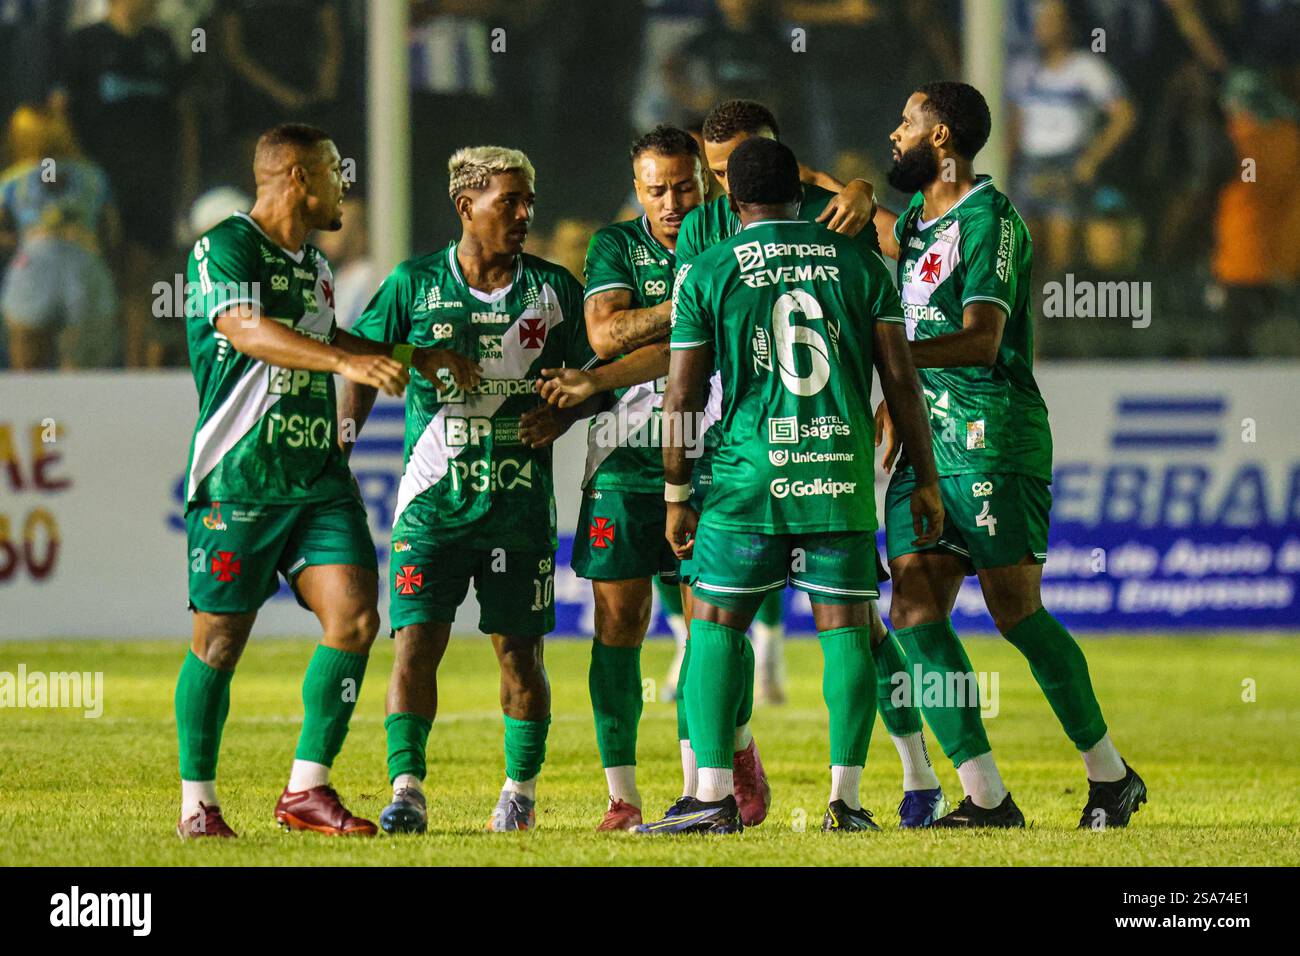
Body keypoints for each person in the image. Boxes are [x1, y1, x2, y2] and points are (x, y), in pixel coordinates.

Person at [639, 135, 943, 834]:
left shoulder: (710, 268)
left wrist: (677, 490)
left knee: (714, 623)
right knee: (848, 630)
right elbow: (901, 381)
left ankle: (711, 795)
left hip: (747, 483)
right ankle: (848, 802)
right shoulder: (862, 264)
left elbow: (682, 396)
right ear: (798, 193)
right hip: (837, 477)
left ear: (732, 199)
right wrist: (923, 479)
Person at [175, 122, 467, 839]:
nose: (347, 185)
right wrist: (344, 366)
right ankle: (197, 803)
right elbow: (246, 329)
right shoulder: (226, 245)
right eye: (337, 172)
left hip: (317, 478)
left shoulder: (314, 263)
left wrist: (410, 353)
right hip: (242, 476)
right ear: (300, 177)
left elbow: (328, 334)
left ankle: (307, 788)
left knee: (358, 619)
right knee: (218, 642)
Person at [876, 81, 1147, 828]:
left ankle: (1110, 775)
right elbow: (885, 233)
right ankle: (987, 797)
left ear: (943, 139)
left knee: (1016, 613)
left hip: (993, 440)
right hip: (928, 452)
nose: (894, 131)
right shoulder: (919, 221)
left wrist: (890, 356)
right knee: (914, 609)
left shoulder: (991, 220)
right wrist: (816, 184)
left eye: (907, 121)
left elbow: (980, 338)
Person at [343, 146, 596, 834]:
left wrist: (566, 411)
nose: (523, 214)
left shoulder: (553, 290)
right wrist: (343, 440)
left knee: (520, 656)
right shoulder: (413, 284)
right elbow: (363, 355)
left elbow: (595, 378)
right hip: (432, 504)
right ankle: (406, 789)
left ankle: (519, 792)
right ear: (466, 206)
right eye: (508, 202)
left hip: (518, 509)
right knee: (415, 644)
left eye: (527, 202)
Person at [534, 125, 707, 831]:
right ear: (636, 189)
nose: (671, 203)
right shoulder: (614, 246)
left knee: (714, 628)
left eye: (684, 186)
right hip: (623, 457)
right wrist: (689, 309)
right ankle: (622, 797)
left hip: (714, 456)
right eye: (656, 189)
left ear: (707, 182)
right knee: (619, 624)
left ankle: (710, 785)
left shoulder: (728, 237)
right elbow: (604, 335)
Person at [56, 0, 198, 367]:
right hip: (99, 182)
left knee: (143, 278)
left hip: (152, 183)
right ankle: (78, 372)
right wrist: (83, 176)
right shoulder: (84, 43)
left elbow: (183, 117)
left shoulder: (162, 45)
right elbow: (60, 112)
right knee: (95, 274)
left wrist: (186, 180)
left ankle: (133, 373)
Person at [0, 105, 118, 369]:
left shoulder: (12, 180)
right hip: (84, 262)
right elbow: (112, 230)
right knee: (81, 369)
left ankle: (31, 409)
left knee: (27, 361)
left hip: (32, 263)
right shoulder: (93, 176)